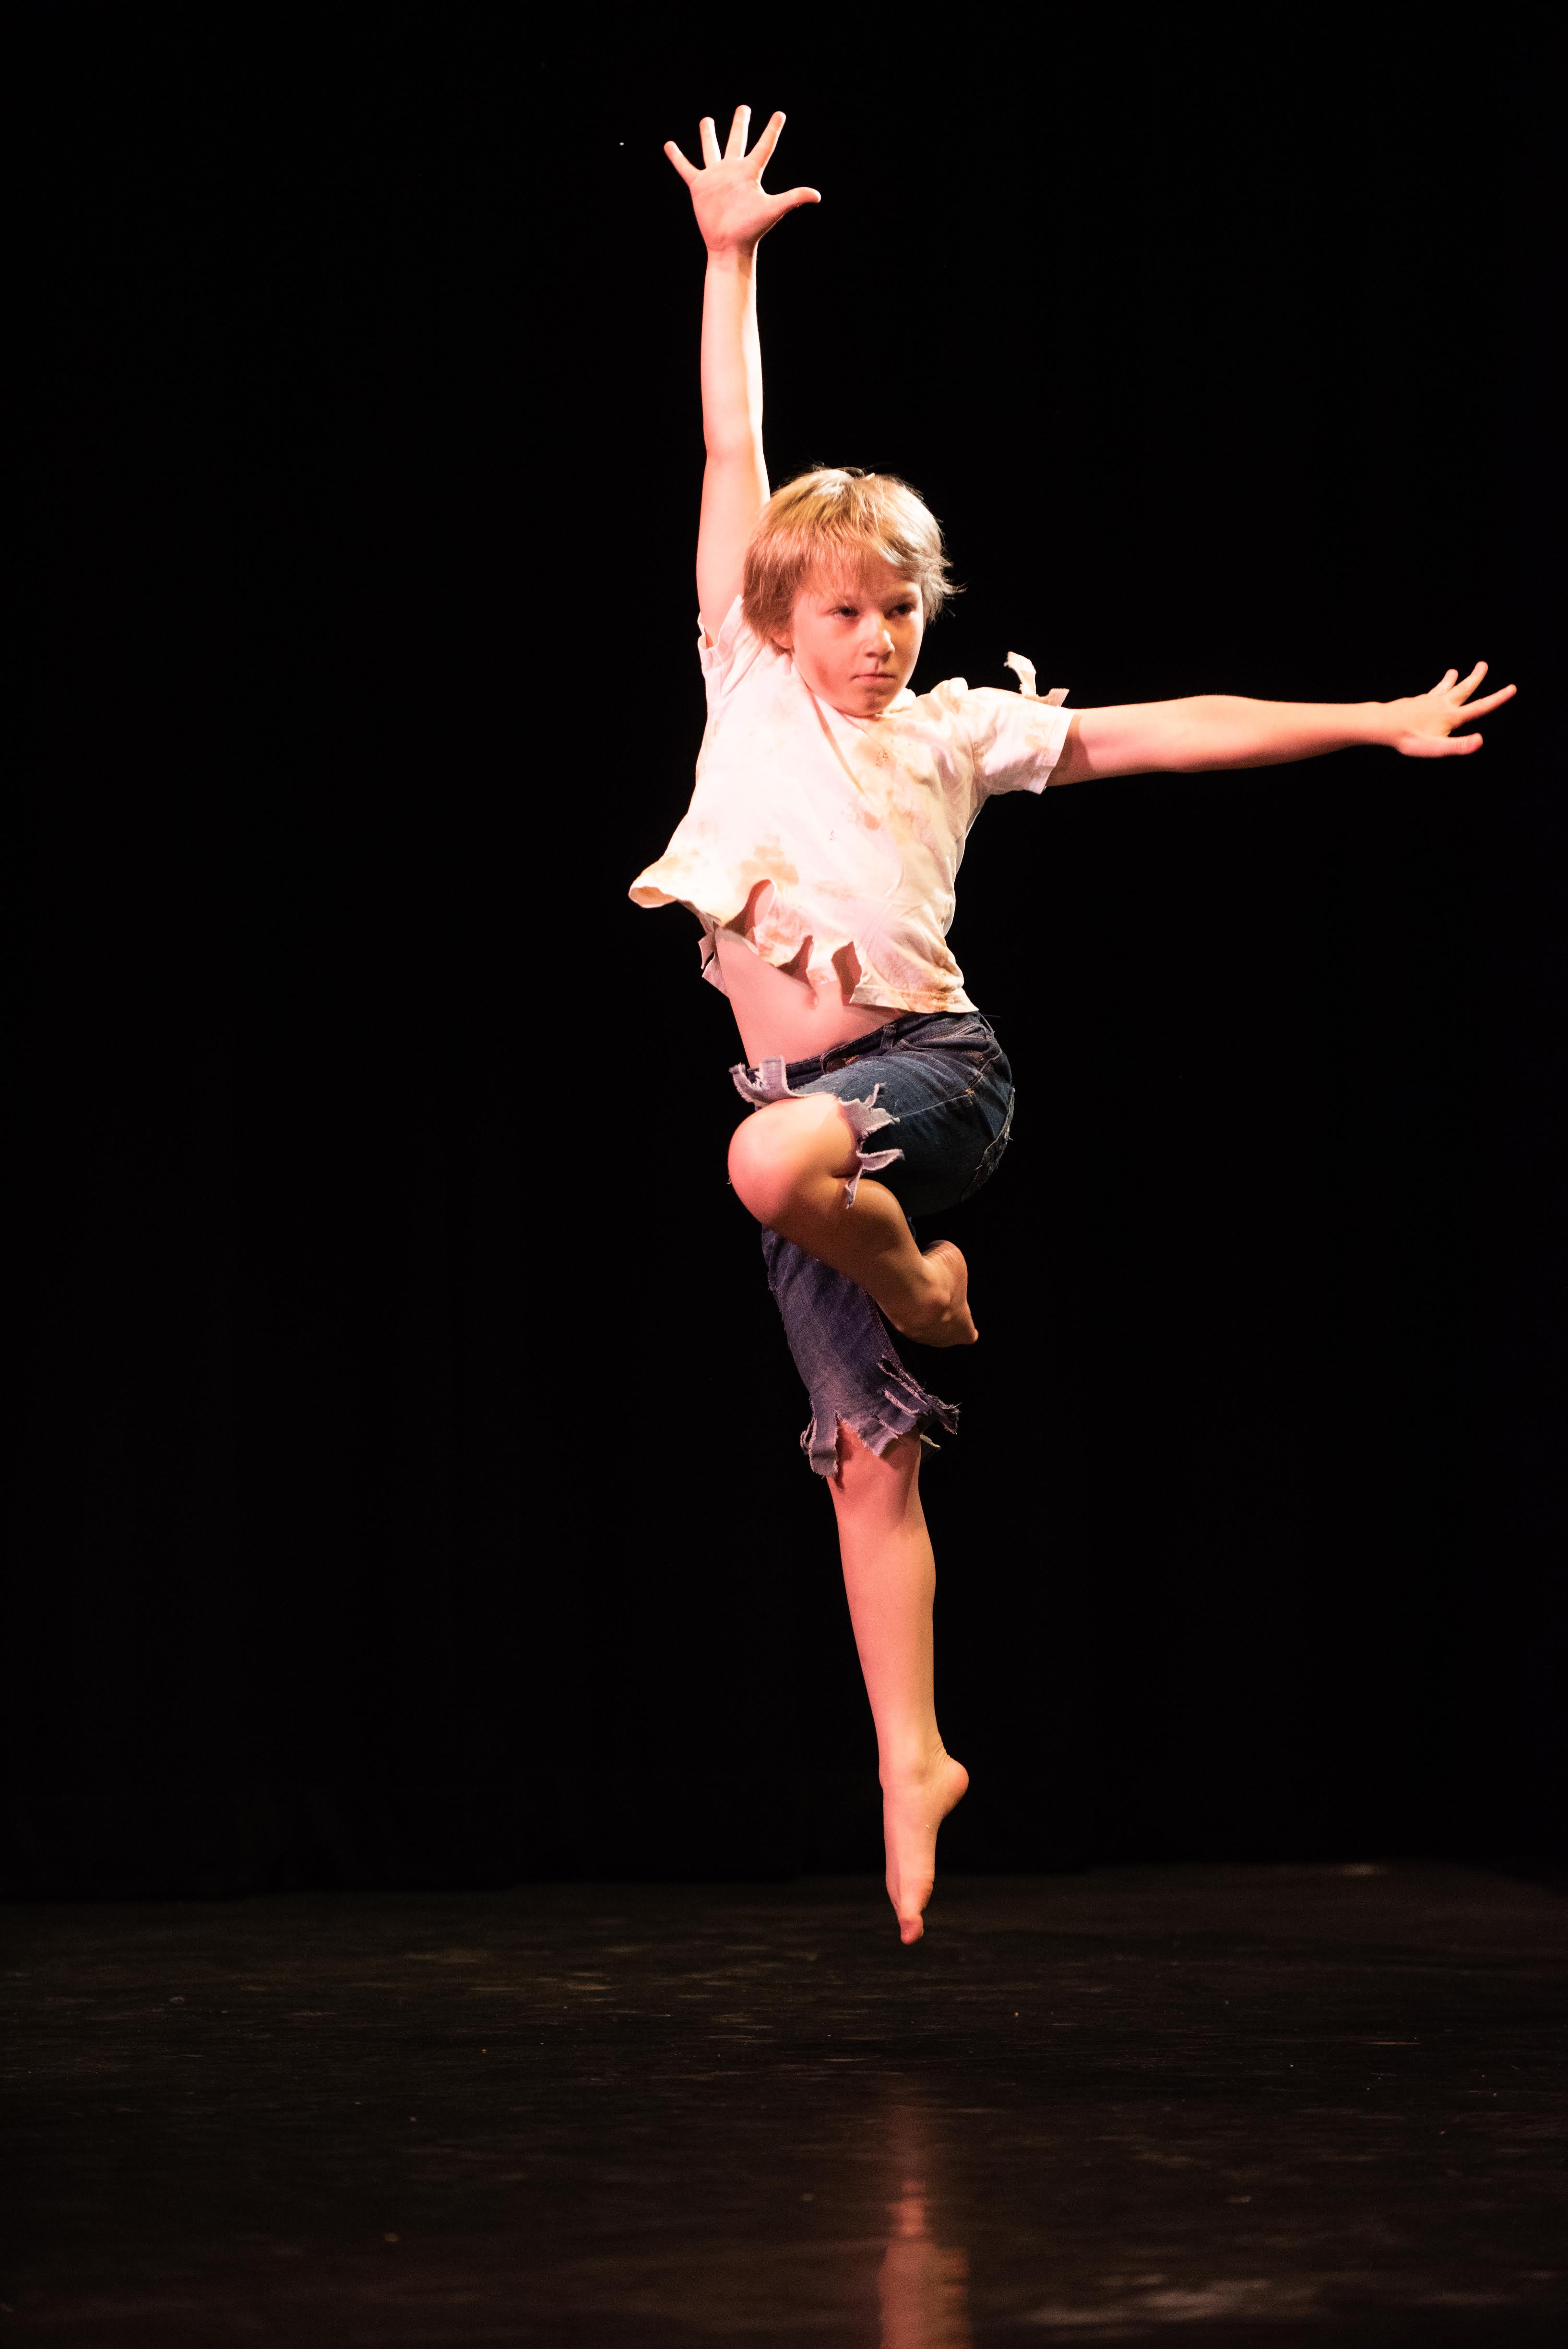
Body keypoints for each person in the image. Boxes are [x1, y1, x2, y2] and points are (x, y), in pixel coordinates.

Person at [631, 106, 1515, 1944]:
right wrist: (730, 262)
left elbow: (1165, 723)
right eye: (849, 611)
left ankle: (934, 1285)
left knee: (763, 1157)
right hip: (809, 1114)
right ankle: (912, 1762)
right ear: (782, 615)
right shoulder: (744, 688)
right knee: (867, 1459)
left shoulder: (955, 732)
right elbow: (735, 445)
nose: (877, 638)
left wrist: (1370, 719)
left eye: (901, 611)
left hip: (929, 1088)